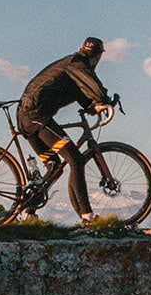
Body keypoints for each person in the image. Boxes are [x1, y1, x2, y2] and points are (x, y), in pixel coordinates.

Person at [17, 37, 113, 224]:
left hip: (27, 116)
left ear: (81, 48)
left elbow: (81, 92)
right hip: (37, 117)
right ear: (100, 56)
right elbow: (92, 84)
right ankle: (87, 215)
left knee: (53, 166)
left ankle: (28, 211)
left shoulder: (73, 67)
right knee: (75, 159)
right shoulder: (78, 63)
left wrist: (93, 107)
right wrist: (104, 99)